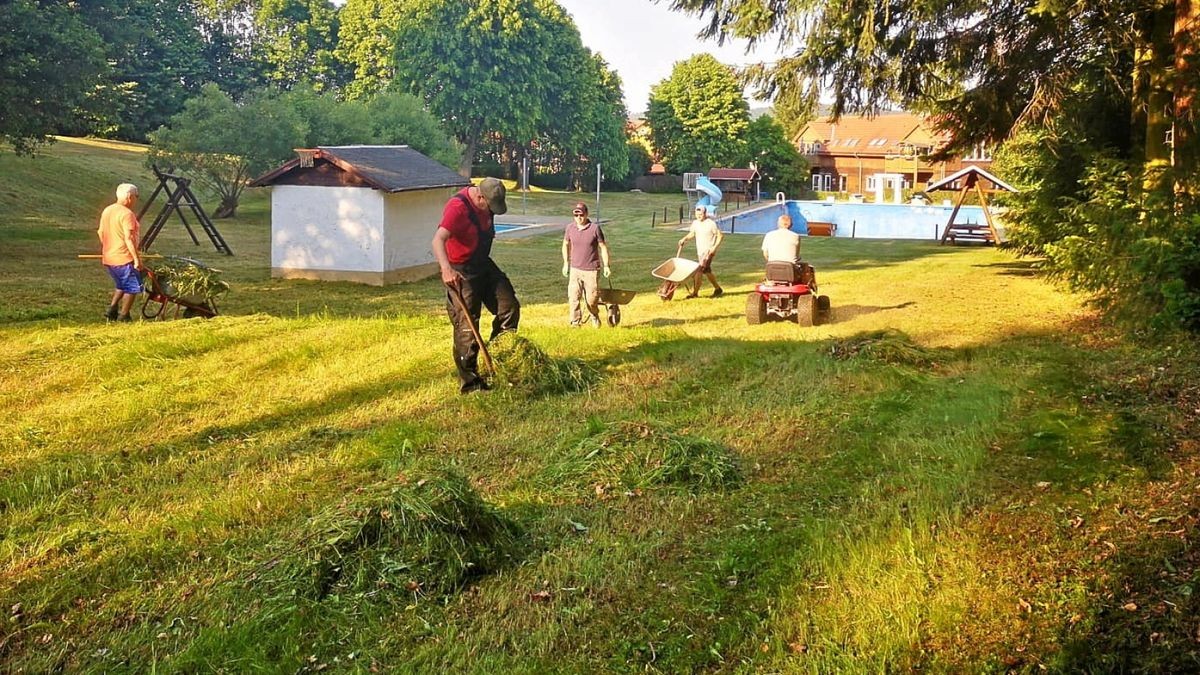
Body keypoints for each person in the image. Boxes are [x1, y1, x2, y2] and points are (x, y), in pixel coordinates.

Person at [431, 177, 521, 394]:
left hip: (482, 263)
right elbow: (437, 240)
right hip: (461, 270)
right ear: (480, 197)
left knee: (509, 308)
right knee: (467, 326)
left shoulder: (488, 202)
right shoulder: (458, 208)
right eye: (491, 206)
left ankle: (499, 358)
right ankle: (470, 383)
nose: (492, 210)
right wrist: (446, 269)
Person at [97, 183, 143, 322]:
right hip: (124, 258)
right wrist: (136, 259)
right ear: (129, 197)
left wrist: (109, 248)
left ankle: (112, 309)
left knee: (122, 284)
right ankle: (124, 316)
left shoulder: (108, 210)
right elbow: (129, 238)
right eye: (136, 196)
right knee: (133, 287)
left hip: (110, 258)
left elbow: (100, 232)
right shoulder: (127, 214)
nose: (137, 199)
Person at [561, 202, 611, 327]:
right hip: (575, 269)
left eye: (581, 215)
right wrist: (566, 263)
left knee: (591, 299)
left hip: (591, 270)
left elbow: (603, 247)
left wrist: (606, 266)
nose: (578, 218)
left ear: (586, 214)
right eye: (576, 215)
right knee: (573, 297)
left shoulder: (594, 228)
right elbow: (565, 244)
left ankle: (594, 315)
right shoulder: (570, 228)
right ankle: (575, 322)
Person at [678, 204, 724, 298]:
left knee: (699, 270)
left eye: (701, 214)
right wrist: (684, 239)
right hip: (700, 252)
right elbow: (692, 234)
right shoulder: (695, 223)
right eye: (697, 214)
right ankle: (718, 289)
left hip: (708, 251)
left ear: (705, 213)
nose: (699, 216)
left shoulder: (710, 223)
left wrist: (714, 247)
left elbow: (720, 235)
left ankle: (695, 293)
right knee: (707, 271)